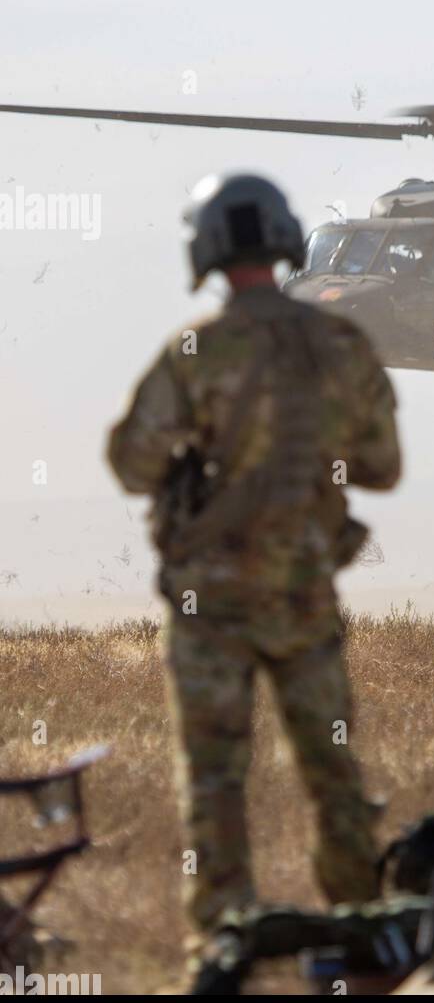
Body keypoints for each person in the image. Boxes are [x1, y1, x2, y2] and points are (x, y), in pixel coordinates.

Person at [107, 173, 400, 943]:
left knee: (214, 780)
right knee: (333, 772)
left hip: (210, 605)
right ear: (284, 239)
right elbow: (382, 464)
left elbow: (133, 463)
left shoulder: (195, 349)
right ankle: (365, 933)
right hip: (302, 596)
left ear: (205, 250)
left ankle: (224, 941)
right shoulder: (339, 343)